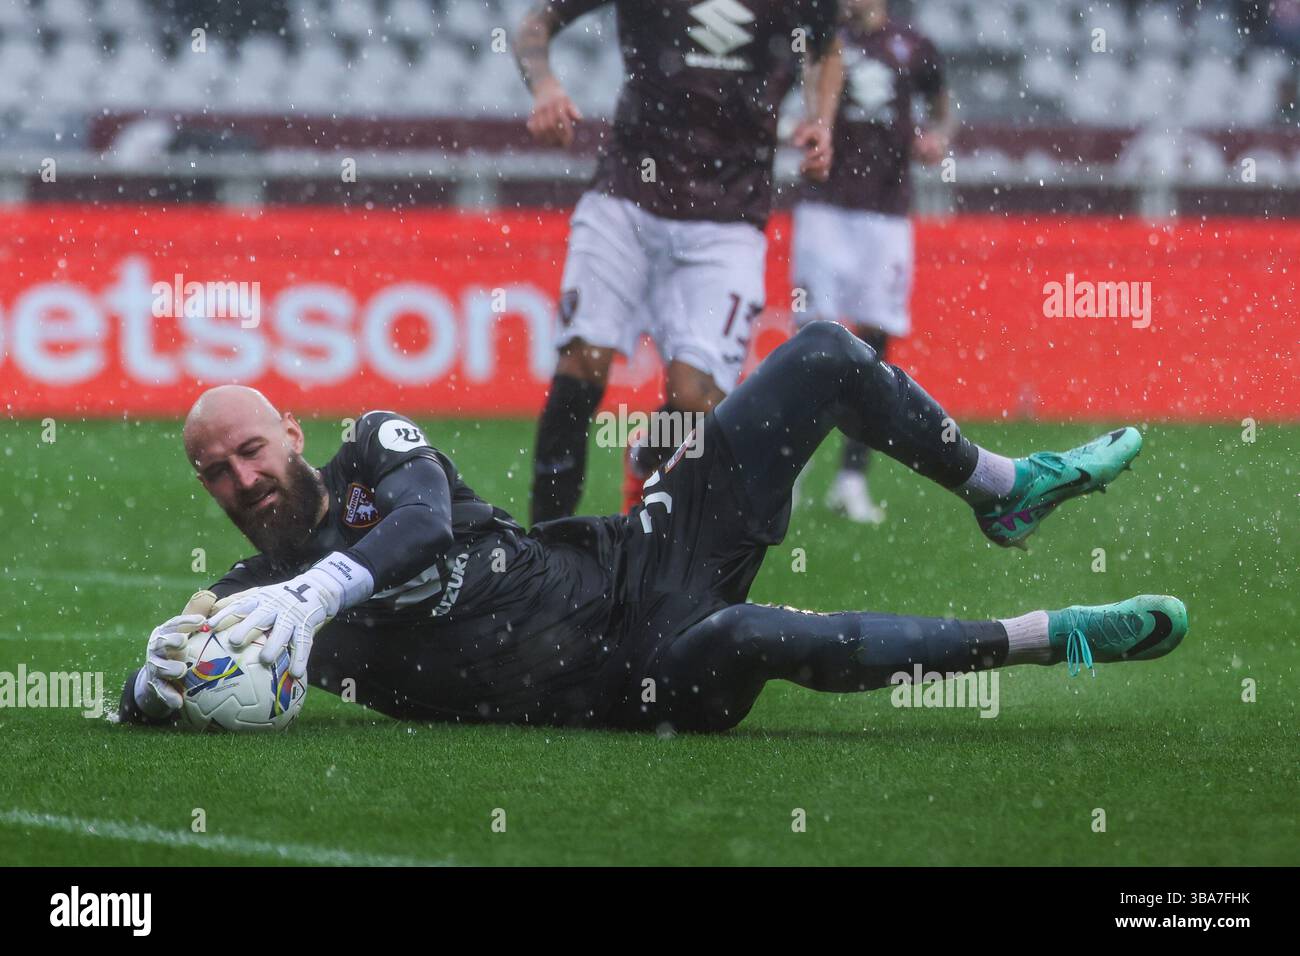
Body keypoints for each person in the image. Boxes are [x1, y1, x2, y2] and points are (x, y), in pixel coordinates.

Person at [122, 322, 1186, 733]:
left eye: (250, 449)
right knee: (744, 635)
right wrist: (147, 685)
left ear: (290, 434)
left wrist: (320, 590)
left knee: (818, 353)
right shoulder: (255, 599)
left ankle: (1001, 485)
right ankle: (1053, 631)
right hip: (631, 675)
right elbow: (163, 683)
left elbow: (420, 519)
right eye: (214, 471)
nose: (240, 476)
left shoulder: (368, 449)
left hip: (639, 555)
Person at [514, 0, 845, 521]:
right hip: (626, 199)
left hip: (729, 216)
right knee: (583, 362)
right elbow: (538, 22)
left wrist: (821, 119)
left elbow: (827, 47)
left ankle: (649, 460)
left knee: (699, 400)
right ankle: (545, 549)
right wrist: (545, 87)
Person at [792, 0, 954, 524]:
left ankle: (852, 477)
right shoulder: (819, 36)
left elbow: (942, 104)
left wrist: (938, 138)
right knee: (812, 341)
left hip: (885, 214)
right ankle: (787, 472)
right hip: (825, 207)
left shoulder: (914, 46)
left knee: (874, 346)